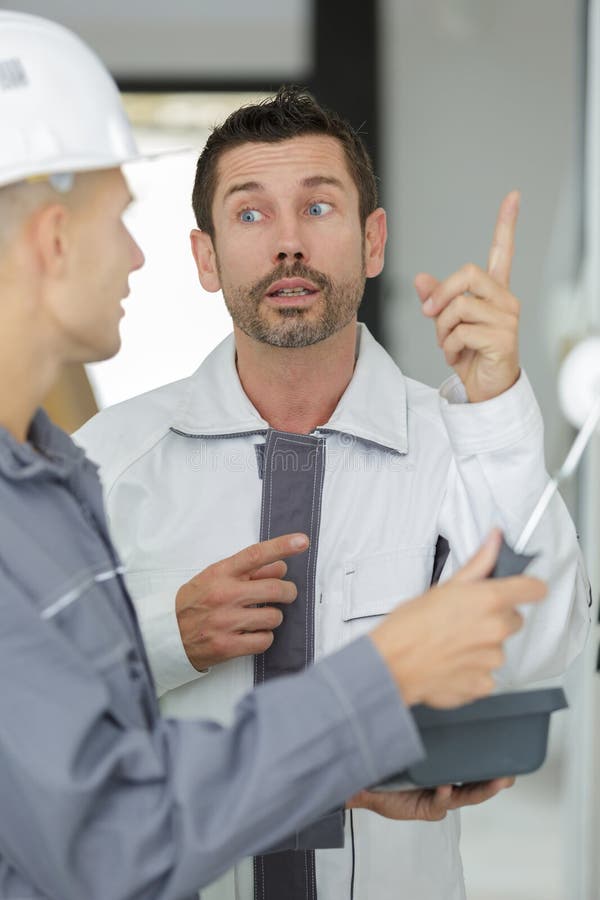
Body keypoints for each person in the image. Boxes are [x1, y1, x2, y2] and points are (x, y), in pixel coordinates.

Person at [0, 11, 550, 900]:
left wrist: (499, 409)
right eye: (251, 213)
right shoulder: (99, 466)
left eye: (319, 207)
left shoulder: (468, 437)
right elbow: (104, 819)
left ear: (372, 242)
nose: (288, 240)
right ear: (207, 257)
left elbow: (542, 653)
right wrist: (170, 638)